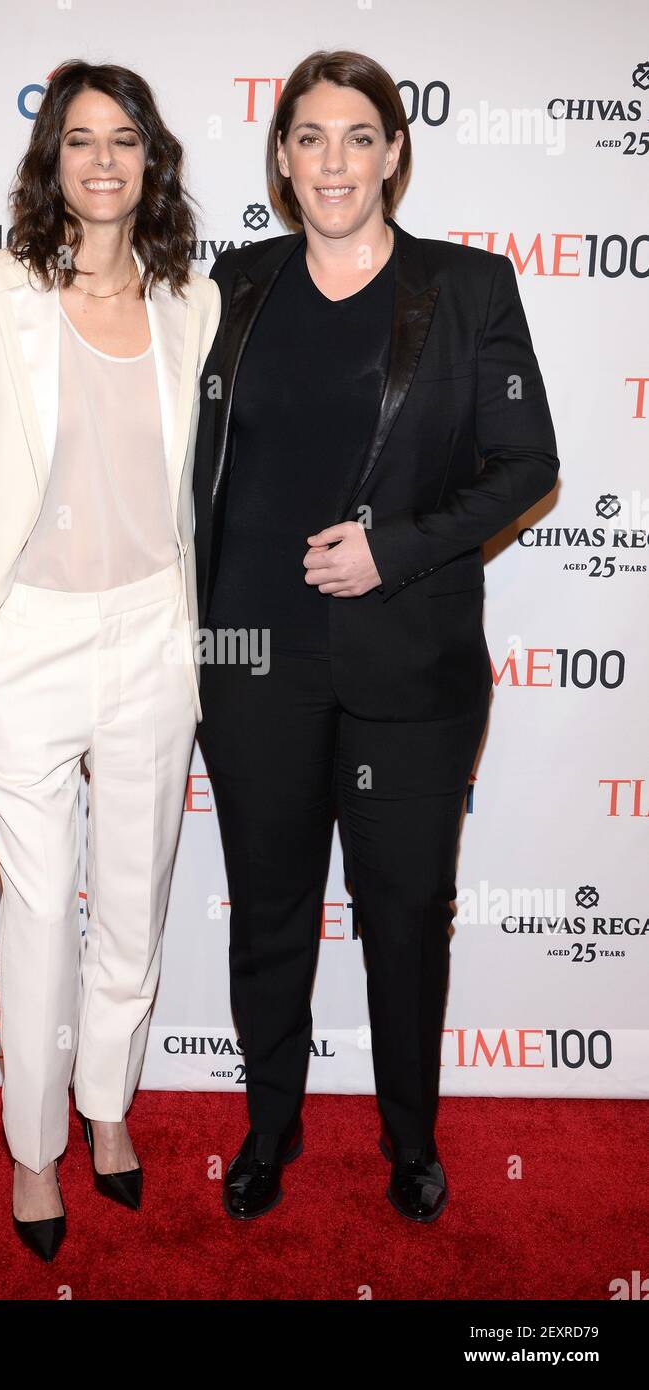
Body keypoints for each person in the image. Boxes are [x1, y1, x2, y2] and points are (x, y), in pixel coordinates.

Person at [192, 49, 559, 1223]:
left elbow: (528, 464)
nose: (331, 161)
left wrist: (389, 547)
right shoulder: (231, 287)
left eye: (356, 136)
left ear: (393, 151)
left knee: (402, 916)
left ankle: (410, 1139)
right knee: (268, 911)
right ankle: (267, 1129)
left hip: (410, 661)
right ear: (281, 156)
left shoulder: (466, 287)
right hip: (252, 657)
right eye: (307, 137)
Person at [0, 59, 220, 1260]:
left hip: (150, 628)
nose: (102, 159)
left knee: (131, 904)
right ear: (52, 163)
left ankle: (106, 1111)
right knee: (40, 911)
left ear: (153, 161)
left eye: (125, 139)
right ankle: (34, 1147)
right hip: (25, 640)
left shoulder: (187, 301)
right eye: (79, 139)